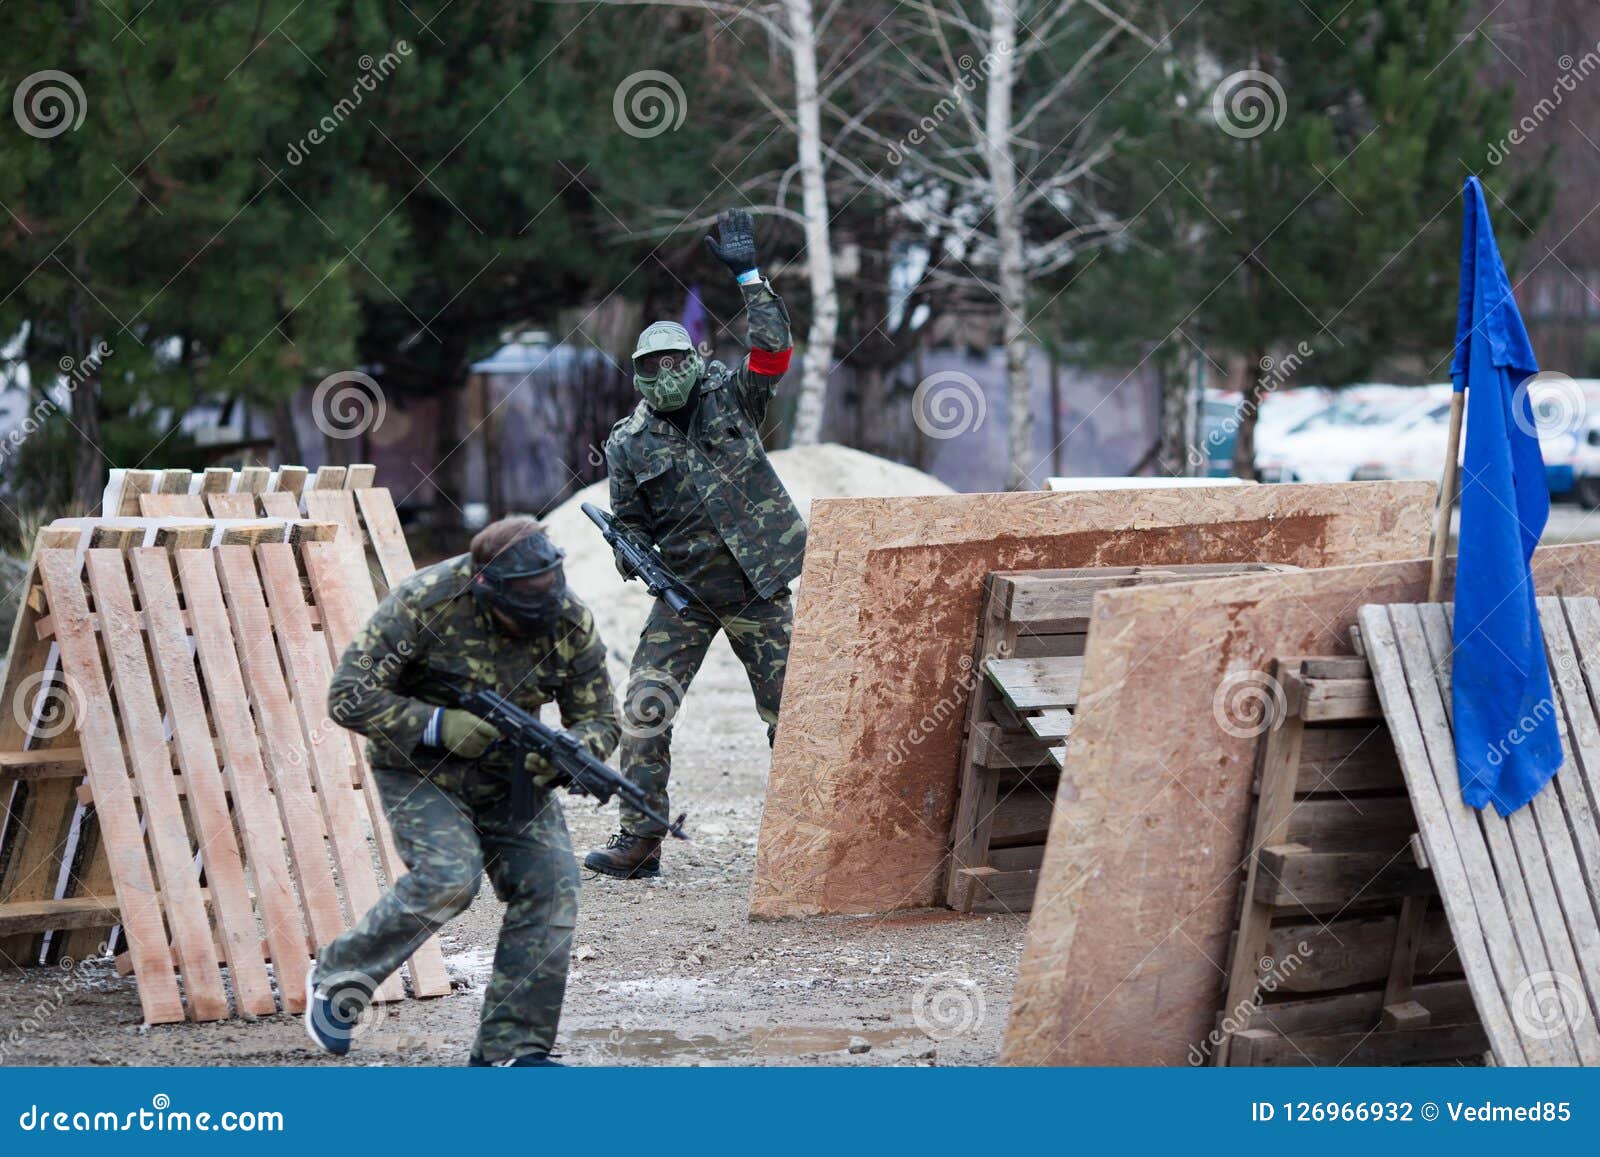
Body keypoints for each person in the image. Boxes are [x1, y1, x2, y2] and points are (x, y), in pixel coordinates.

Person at [306, 517, 619, 1066]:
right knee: (450, 879)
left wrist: (570, 754)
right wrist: (435, 725)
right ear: (485, 586)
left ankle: (511, 1050)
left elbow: (600, 718)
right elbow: (348, 695)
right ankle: (338, 977)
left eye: (547, 594)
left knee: (552, 885)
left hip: (513, 775)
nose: (539, 612)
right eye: (522, 605)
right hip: (419, 769)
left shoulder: (568, 618)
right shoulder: (424, 603)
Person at [585, 207, 804, 880]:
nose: (664, 373)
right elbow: (630, 521)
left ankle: (809, 839)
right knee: (645, 707)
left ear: (692, 359)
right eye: (650, 366)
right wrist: (632, 556)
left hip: (757, 587)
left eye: (674, 361)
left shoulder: (734, 396)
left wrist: (749, 276)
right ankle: (640, 837)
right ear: (637, 373)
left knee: (794, 714)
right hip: (684, 595)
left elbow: (774, 350)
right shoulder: (628, 442)